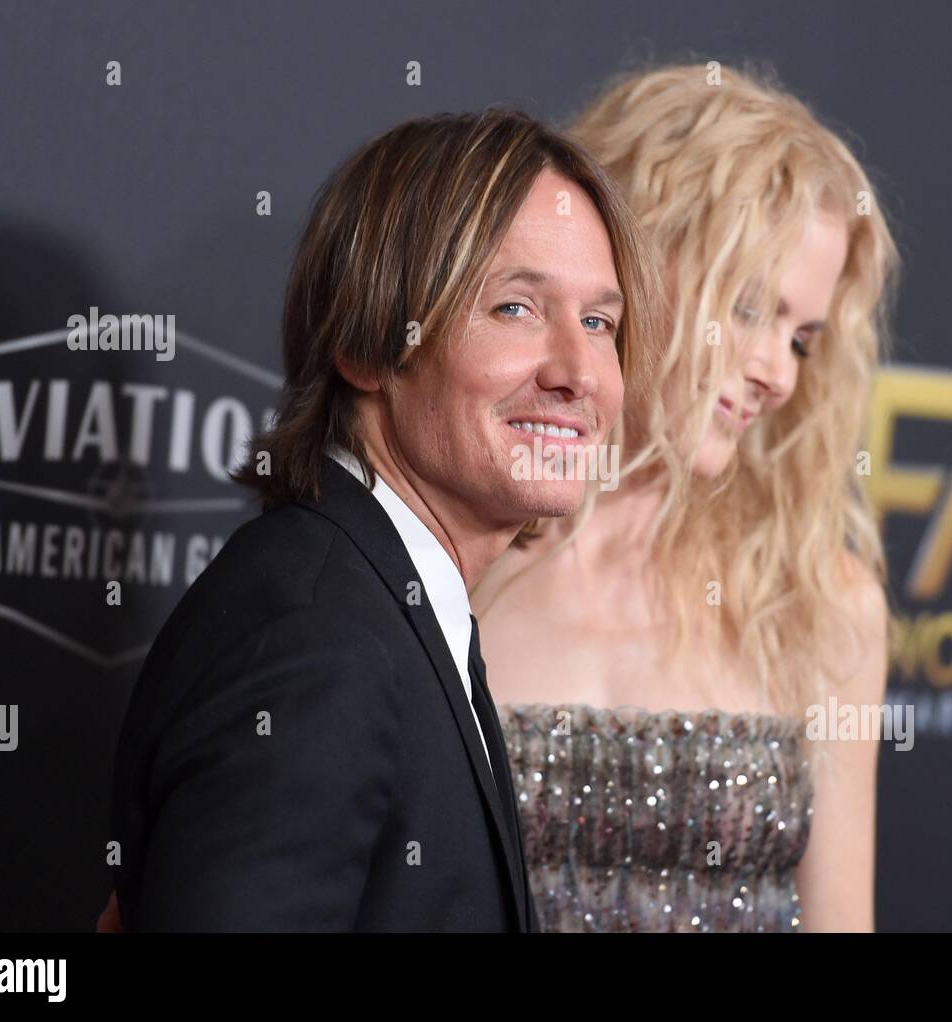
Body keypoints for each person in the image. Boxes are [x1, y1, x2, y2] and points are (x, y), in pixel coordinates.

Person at [104, 107, 662, 931]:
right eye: (515, 308)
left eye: (598, 323)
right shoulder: (317, 638)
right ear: (367, 343)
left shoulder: (390, 605)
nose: (579, 372)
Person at [477, 63, 900, 931]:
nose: (778, 373)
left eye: (804, 339)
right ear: (629, 259)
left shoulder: (820, 604)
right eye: (747, 310)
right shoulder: (458, 555)